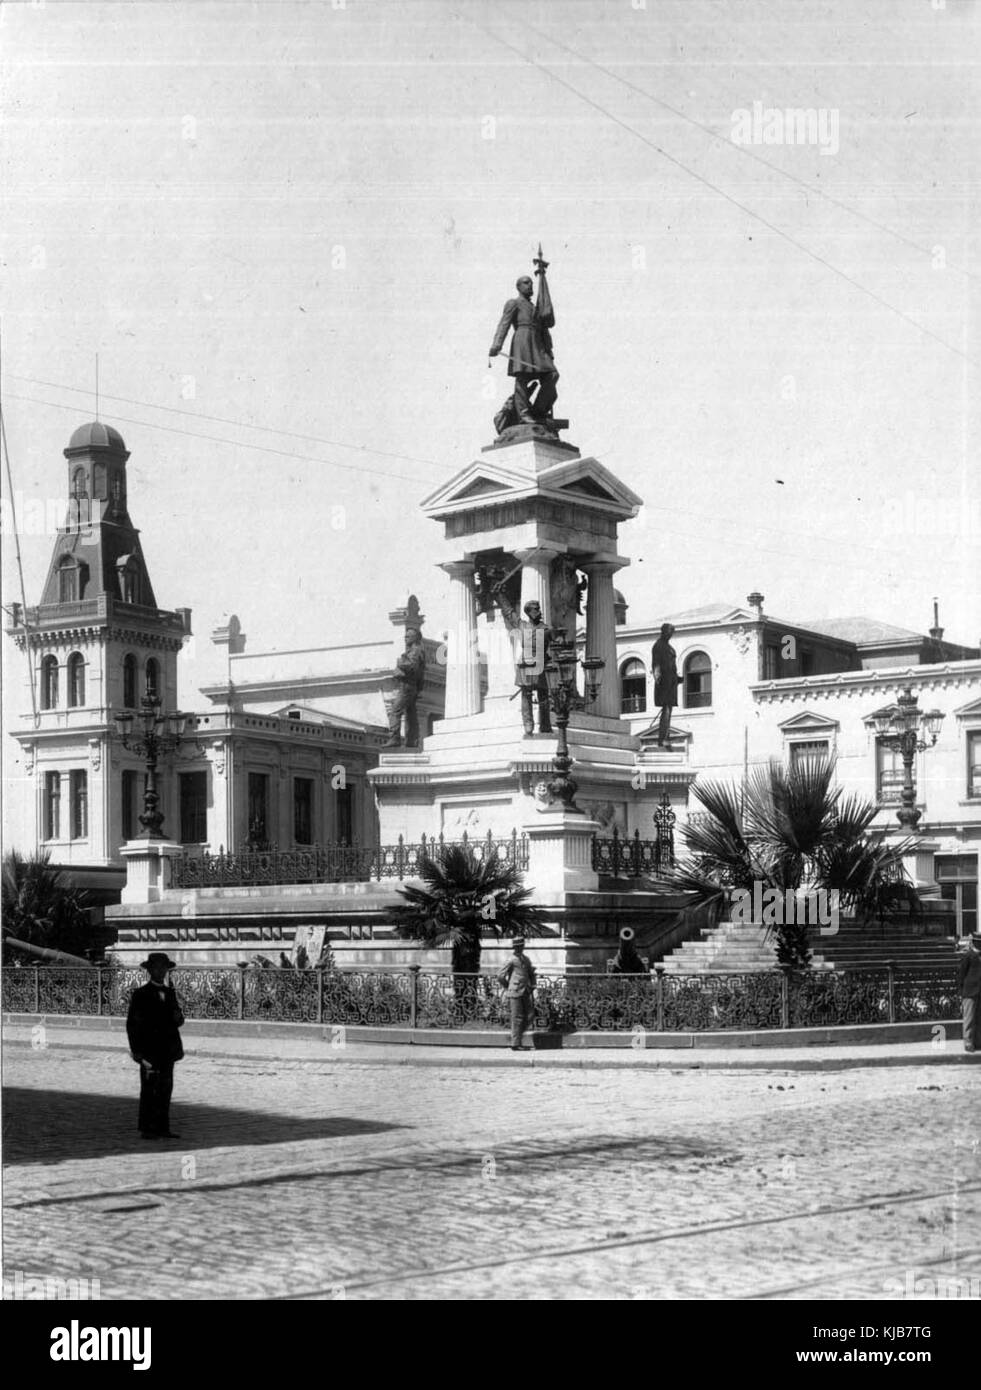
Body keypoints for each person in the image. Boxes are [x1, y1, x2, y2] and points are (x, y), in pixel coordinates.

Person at [126, 952, 185, 1139]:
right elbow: (132, 1025)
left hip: (167, 1050)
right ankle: (147, 1129)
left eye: (163, 968)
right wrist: (137, 1051)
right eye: (156, 968)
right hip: (149, 1051)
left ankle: (163, 1127)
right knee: (149, 1089)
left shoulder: (170, 993)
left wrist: (179, 1018)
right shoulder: (140, 994)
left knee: (166, 1089)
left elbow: (177, 1020)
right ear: (150, 971)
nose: (160, 971)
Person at [488, 273, 559, 425]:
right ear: (518, 287)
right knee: (522, 378)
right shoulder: (514, 303)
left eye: (531, 283)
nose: (530, 286)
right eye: (526, 283)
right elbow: (504, 324)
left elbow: (544, 330)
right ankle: (523, 414)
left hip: (538, 345)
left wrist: (548, 349)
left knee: (552, 375)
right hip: (523, 341)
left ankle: (537, 411)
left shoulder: (536, 308)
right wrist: (497, 344)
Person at [493, 583, 553, 736]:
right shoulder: (523, 626)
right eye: (535, 610)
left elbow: (557, 646)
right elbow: (509, 612)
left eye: (538, 609)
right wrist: (500, 595)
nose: (539, 612)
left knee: (543, 695)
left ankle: (545, 725)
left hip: (539, 665)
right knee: (526, 696)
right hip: (525, 665)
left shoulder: (547, 629)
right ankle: (528, 723)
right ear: (529, 612)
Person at [383, 625, 426, 749]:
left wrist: (400, 663)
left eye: (408, 636)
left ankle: (394, 738)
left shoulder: (415, 651)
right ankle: (412, 741)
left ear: (415, 638)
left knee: (395, 711)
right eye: (405, 636)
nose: (405, 638)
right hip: (411, 686)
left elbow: (411, 666)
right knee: (411, 714)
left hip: (407, 685)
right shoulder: (415, 650)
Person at [498, 936, 537, 1051]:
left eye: (521, 946)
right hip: (514, 992)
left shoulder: (525, 959)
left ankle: (518, 1037)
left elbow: (531, 973)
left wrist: (533, 984)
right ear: (514, 947)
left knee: (530, 1015)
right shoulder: (511, 960)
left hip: (525, 991)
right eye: (517, 946)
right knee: (517, 1018)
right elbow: (500, 975)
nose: (519, 948)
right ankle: (515, 1043)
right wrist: (508, 986)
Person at [651, 623, 681, 747]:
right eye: (669, 632)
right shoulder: (658, 646)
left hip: (671, 682)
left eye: (672, 633)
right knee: (666, 710)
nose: (670, 635)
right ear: (663, 632)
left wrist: (677, 678)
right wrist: (658, 678)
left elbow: (672, 666)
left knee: (668, 710)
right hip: (664, 683)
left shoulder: (669, 647)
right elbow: (656, 664)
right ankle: (663, 738)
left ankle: (665, 737)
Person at [957, 931, 981, 1054]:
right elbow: (961, 974)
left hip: (979, 992)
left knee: (978, 1017)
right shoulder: (968, 956)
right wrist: (961, 991)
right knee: (969, 1018)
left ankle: (977, 1041)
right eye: (978, 942)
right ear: (974, 943)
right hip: (970, 991)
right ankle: (968, 1041)